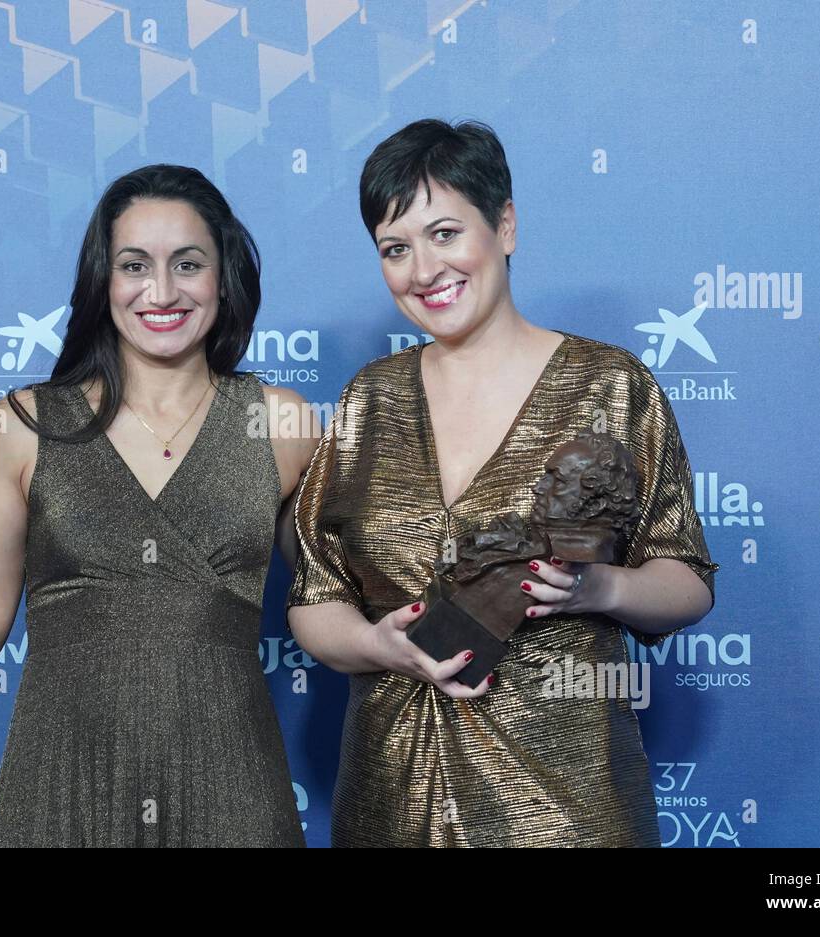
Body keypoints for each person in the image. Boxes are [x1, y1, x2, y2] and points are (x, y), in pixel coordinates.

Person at [0, 165, 316, 847]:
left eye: (188, 264)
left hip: (232, 798)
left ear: (223, 277)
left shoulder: (282, 423)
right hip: (59, 797)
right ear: (101, 280)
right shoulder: (24, 424)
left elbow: (339, 597)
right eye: (134, 265)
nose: (162, 291)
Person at [286, 119, 718, 847]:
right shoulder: (367, 401)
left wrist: (599, 589)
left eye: (446, 233)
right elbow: (315, 599)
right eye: (396, 248)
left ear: (505, 225)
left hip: (569, 808)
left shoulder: (610, 385)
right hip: (391, 801)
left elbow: (687, 580)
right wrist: (379, 644)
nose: (424, 269)